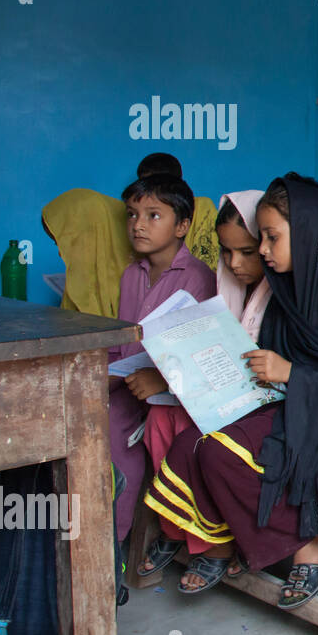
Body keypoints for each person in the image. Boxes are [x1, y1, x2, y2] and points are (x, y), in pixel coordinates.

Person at [144, 173, 318, 603]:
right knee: (190, 444)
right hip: (289, 402)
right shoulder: (285, 291)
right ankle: (231, 542)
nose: (262, 250)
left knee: (222, 451)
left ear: (309, 237)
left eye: (271, 238)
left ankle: (310, 546)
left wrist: (291, 373)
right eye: (261, 237)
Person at [137, 190, 274, 578]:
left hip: (266, 403)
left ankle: (214, 540)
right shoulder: (227, 289)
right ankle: (177, 525)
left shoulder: (285, 295)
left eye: (247, 252)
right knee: (161, 419)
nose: (235, 264)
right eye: (227, 252)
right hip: (226, 392)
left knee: (194, 432)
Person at [108, 173, 217, 540]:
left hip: (175, 391)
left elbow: (202, 356)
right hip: (128, 384)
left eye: (153, 215)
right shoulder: (130, 275)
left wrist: (162, 381)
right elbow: (122, 343)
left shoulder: (199, 279)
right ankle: (98, 537)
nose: (138, 225)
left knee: (122, 439)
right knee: (91, 418)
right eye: (132, 214)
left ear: (182, 225)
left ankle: (120, 543)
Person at [40, 189, 133, 317]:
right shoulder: (80, 282)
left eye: (68, 245)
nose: (61, 254)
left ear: (93, 235)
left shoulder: (141, 281)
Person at [136, 152, 219, 270]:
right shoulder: (138, 213)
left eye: (156, 185)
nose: (148, 191)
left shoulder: (201, 207)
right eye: (144, 185)